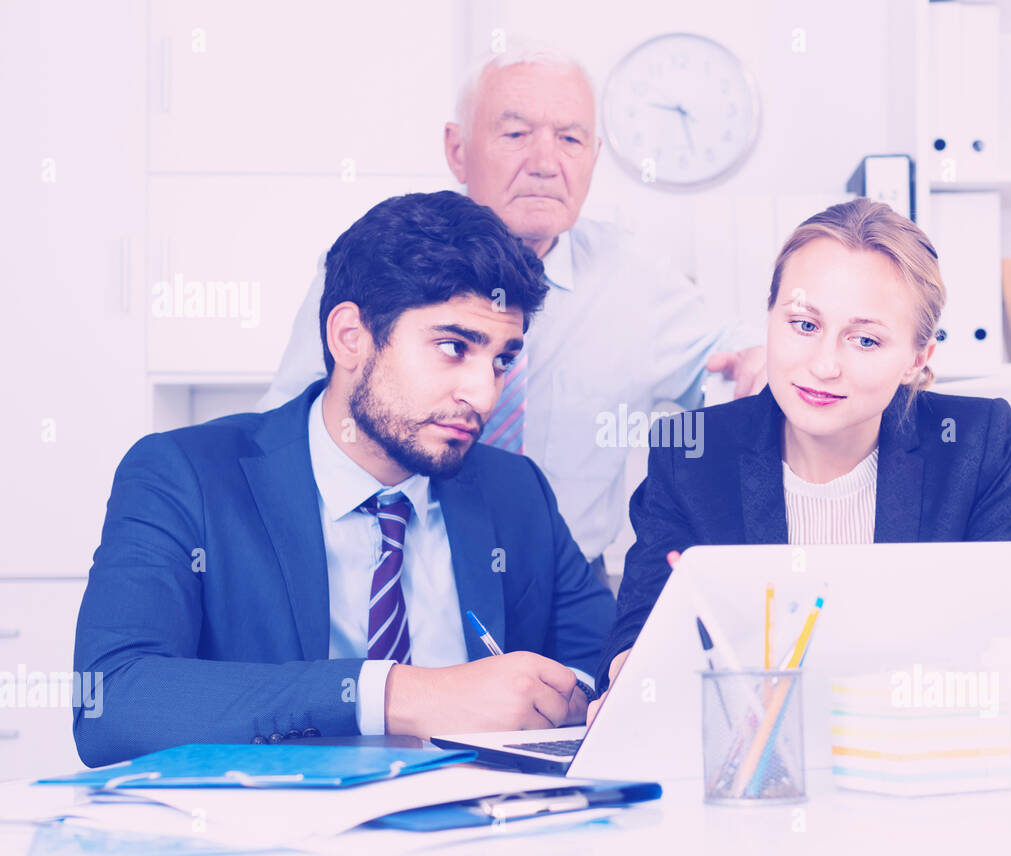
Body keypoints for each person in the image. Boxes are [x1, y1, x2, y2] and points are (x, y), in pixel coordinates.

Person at [73, 191, 615, 768]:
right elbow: (111, 702)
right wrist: (396, 696)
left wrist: (581, 694)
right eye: (453, 348)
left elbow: (600, 665)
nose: (482, 394)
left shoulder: (516, 489)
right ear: (349, 337)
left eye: (502, 360)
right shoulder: (184, 475)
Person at [258, 46, 766, 584]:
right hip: (393, 569)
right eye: (516, 134)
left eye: (570, 139)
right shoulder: (382, 258)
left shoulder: (635, 278)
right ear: (457, 149)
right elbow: (289, 424)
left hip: (563, 582)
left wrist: (763, 355)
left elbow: (733, 358)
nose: (546, 164)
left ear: (593, 155)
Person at [589, 198, 1011, 711]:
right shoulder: (692, 455)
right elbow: (636, 631)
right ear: (769, 318)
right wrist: (632, 678)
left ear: (917, 360)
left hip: (920, 753)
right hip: (755, 764)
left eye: (865, 340)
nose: (824, 365)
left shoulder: (978, 444)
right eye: (804, 325)